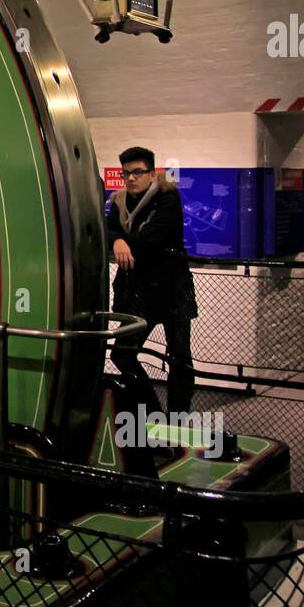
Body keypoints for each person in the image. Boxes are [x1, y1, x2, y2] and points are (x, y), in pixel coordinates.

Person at [106, 147, 197, 418]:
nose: (131, 178)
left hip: (172, 289)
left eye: (137, 172)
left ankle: (178, 419)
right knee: (122, 354)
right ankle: (155, 413)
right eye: (126, 173)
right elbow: (106, 228)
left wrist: (120, 239)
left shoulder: (167, 199)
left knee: (180, 358)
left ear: (151, 173)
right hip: (137, 291)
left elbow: (151, 241)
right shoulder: (119, 201)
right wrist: (117, 239)